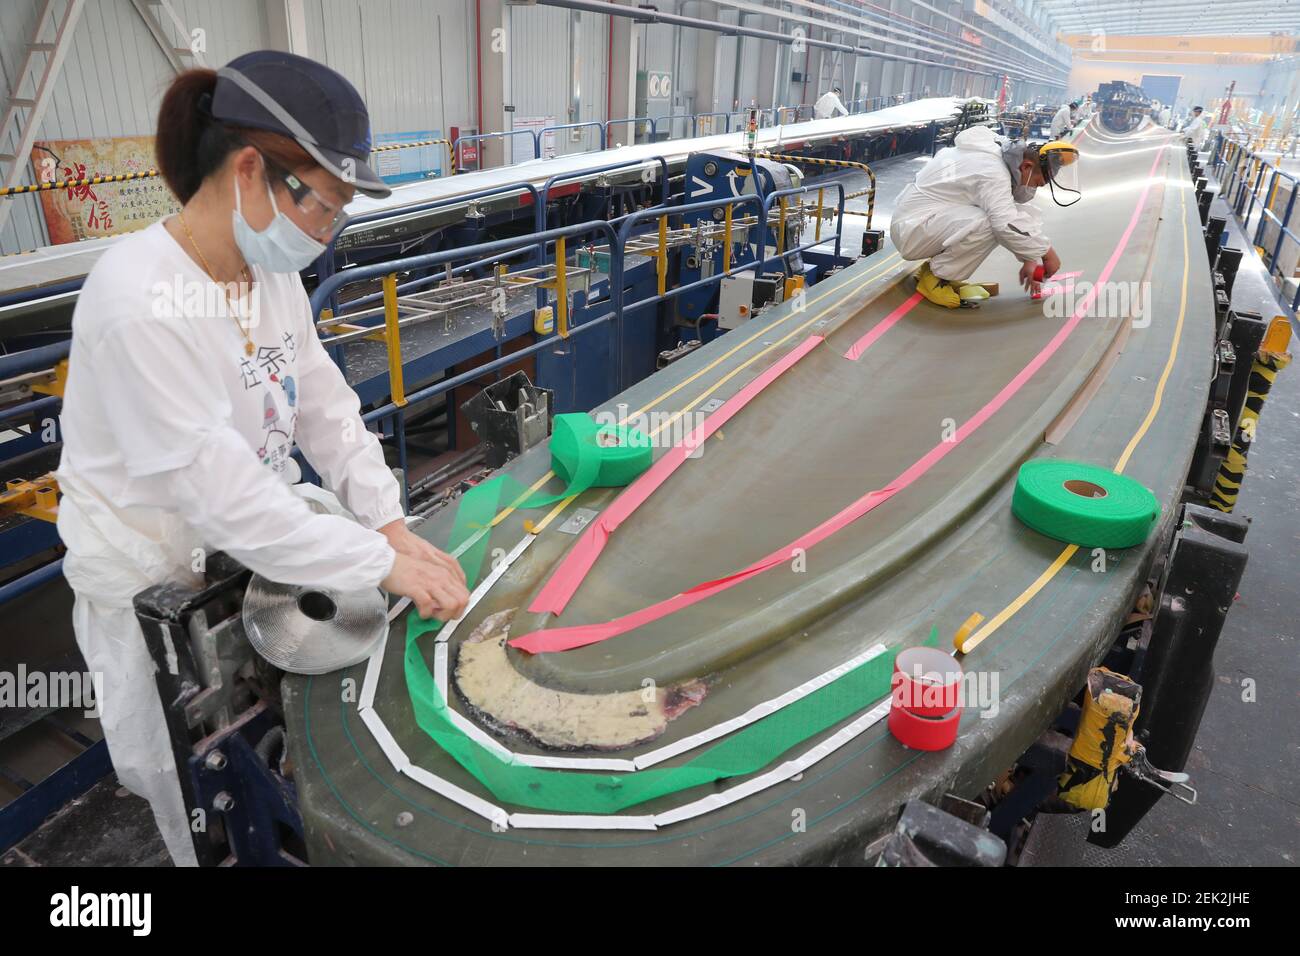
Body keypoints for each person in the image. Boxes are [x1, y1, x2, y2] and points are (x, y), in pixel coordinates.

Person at [54, 52, 469, 865]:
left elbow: (322, 403)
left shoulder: (260, 275)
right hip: (160, 586)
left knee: (285, 743)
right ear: (253, 171)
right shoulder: (138, 301)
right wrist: (374, 559)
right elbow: (217, 492)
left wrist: (387, 517)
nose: (328, 230)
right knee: (200, 796)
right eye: (326, 204)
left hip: (256, 551)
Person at [888, 125, 1078, 308]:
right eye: (1037, 183)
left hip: (923, 221)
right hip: (913, 229)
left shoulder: (1001, 154)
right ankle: (935, 278)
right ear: (1027, 166)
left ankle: (941, 272)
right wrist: (1047, 254)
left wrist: (1031, 258)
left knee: (1002, 216)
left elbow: (1015, 215)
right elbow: (1005, 223)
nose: (1034, 188)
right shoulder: (993, 172)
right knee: (990, 222)